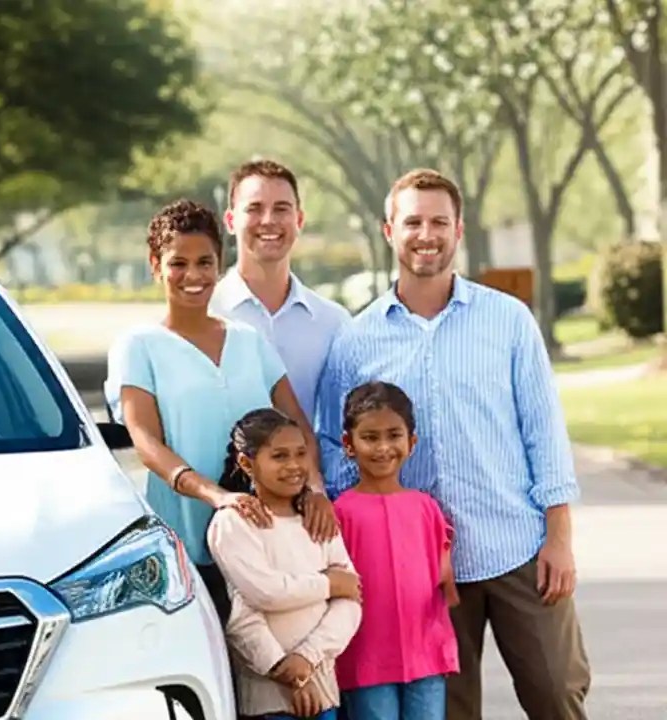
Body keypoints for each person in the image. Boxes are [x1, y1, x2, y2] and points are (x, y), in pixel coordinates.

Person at [314, 168, 590, 720]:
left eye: (439, 221)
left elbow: (543, 428)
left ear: (458, 230)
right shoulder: (355, 339)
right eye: (412, 221)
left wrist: (558, 537)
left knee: (557, 691)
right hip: (417, 570)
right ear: (389, 229)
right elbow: (334, 450)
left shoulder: (508, 320)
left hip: (516, 546)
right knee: (448, 712)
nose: (426, 234)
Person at [105, 198, 338, 625]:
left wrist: (315, 489)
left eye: (204, 262)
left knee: (280, 673)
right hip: (190, 545)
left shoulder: (249, 340)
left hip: (268, 541)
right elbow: (146, 441)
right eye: (178, 263)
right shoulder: (138, 347)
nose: (193, 276)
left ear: (220, 264)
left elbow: (298, 425)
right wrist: (217, 496)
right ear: (155, 265)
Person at [207, 408, 362, 720]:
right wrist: (285, 672)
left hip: (322, 690)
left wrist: (306, 659)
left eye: (300, 454)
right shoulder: (234, 524)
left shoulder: (317, 518)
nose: (293, 466)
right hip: (270, 697)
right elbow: (257, 602)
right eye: (279, 456)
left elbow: (351, 601)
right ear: (246, 463)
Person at [332, 381, 460, 719]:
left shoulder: (426, 507)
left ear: (411, 442)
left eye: (394, 435)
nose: (383, 447)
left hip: (426, 652)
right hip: (366, 655)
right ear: (348, 444)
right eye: (370, 437)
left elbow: (441, 566)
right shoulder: (340, 512)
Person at [209, 159, 352, 424]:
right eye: (254, 208)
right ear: (230, 220)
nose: (268, 220)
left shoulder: (334, 323)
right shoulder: (206, 313)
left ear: (299, 220)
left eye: (281, 209)